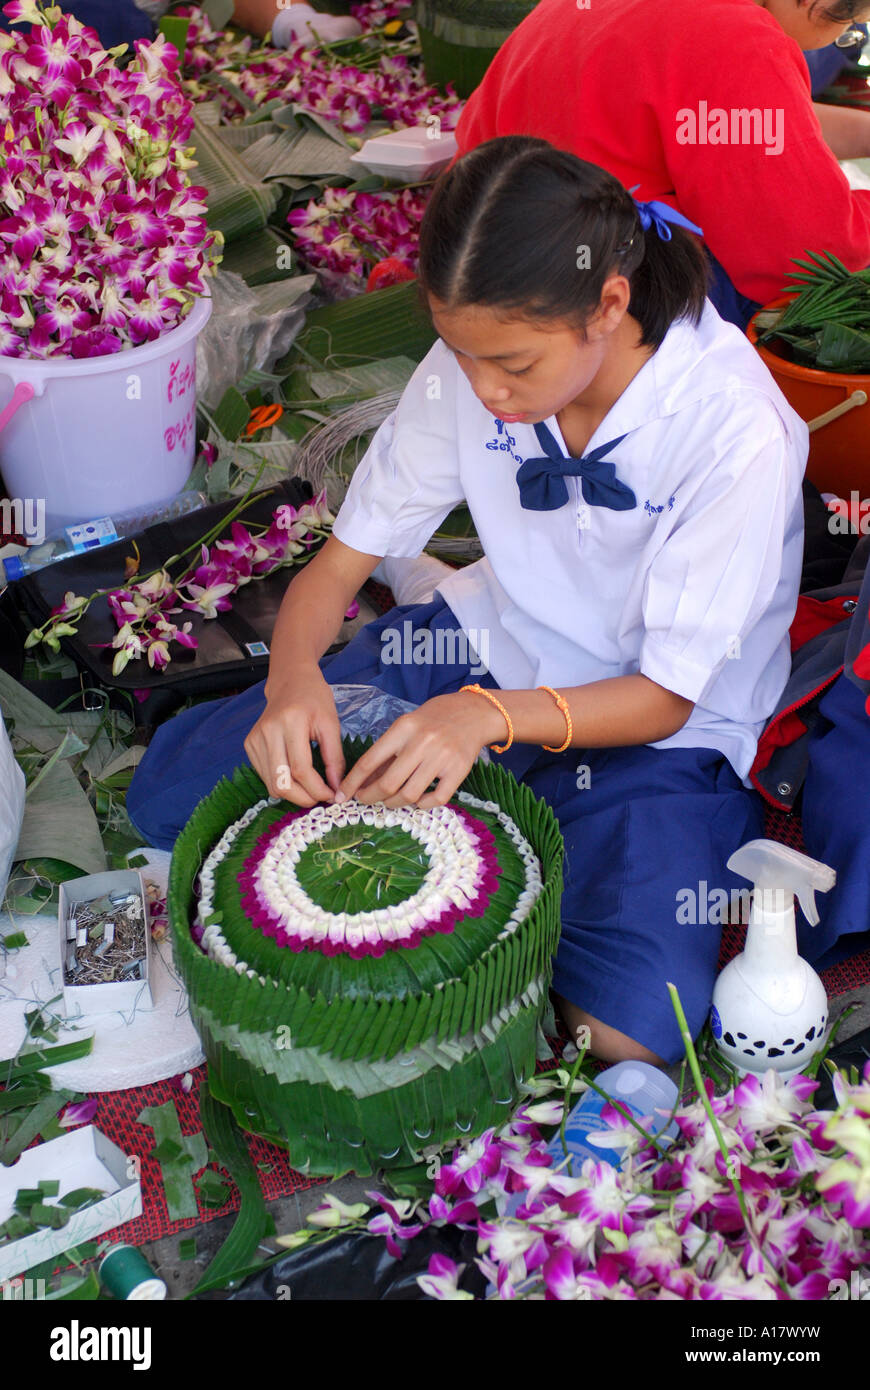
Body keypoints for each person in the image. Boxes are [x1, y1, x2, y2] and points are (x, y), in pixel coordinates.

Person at [128, 137, 808, 1065]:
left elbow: (668, 695)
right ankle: (484, 799)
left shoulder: (732, 428)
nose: (485, 390)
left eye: (514, 365)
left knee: (631, 1032)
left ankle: (517, 833)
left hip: (657, 725)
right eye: (462, 353)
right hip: (495, 640)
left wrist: (479, 721)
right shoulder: (471, 373)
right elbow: (335, 570)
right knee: (172, 798)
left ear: (608, 304)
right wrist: (293, 684)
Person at [454, 0, 870, 330]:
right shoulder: (734, 37)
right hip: (587, 307)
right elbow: (806, 251)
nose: (846, 36)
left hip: (474, 262)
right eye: (850, 25)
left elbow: (750, 119)